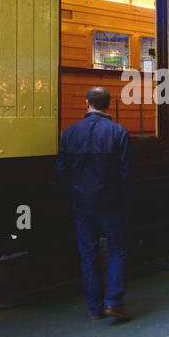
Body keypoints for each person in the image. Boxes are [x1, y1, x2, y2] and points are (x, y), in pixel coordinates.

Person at [56, 86, 133, 320]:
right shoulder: (118, 133)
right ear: (108, 104)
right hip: (111, 202)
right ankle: (114, 301)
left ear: (87, 103)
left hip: (81, 202)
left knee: (88, 252)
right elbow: (126, 173)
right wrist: (125, 199)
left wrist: (70, 195)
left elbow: (61, 171)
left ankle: (94, 307)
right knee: (117, 249)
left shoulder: (69, 133)